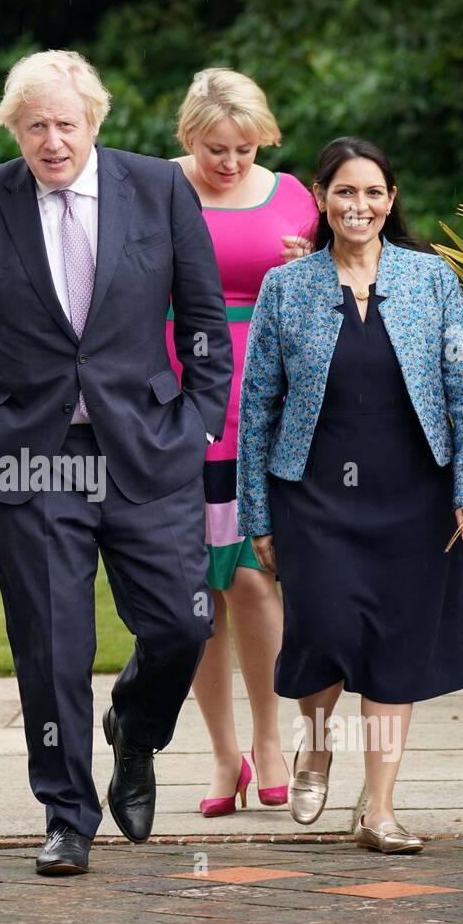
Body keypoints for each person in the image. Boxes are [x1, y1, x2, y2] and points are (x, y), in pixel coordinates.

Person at [0, 50, 232, 875]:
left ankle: (136, 725)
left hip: (148, 448)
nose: (52, 140)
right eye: (34, 125)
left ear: (96, 120)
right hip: (30, 458)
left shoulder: (158, 190)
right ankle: (66, 815)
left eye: (65, 123)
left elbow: (203, 319)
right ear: (13, 129)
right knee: (50, 645)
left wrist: (196, 419)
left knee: (182, 622)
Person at [237, 136, 463, 854]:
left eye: (374, 192)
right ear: (322, 198)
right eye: (345, 192)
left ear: (391, 200)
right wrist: (257, 512)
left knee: (396, 647)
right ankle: (315, 747)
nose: (360, 205)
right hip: (313, 496)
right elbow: (256, 406)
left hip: (414, 496)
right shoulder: (286, 287)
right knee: (321, 629)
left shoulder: (431, 279)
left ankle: (379, 808)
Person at [164, 68, 317, 817]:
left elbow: (338, 289)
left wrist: (306, 274)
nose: (229, 162)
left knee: (253, 575)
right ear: (189, 136)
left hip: (264, 401)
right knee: (192, 588)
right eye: (215, 148)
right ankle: (223, 752)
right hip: (175, 400)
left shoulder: (295, 196)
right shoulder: (155, 188)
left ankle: (268, 740)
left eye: (245, 148)